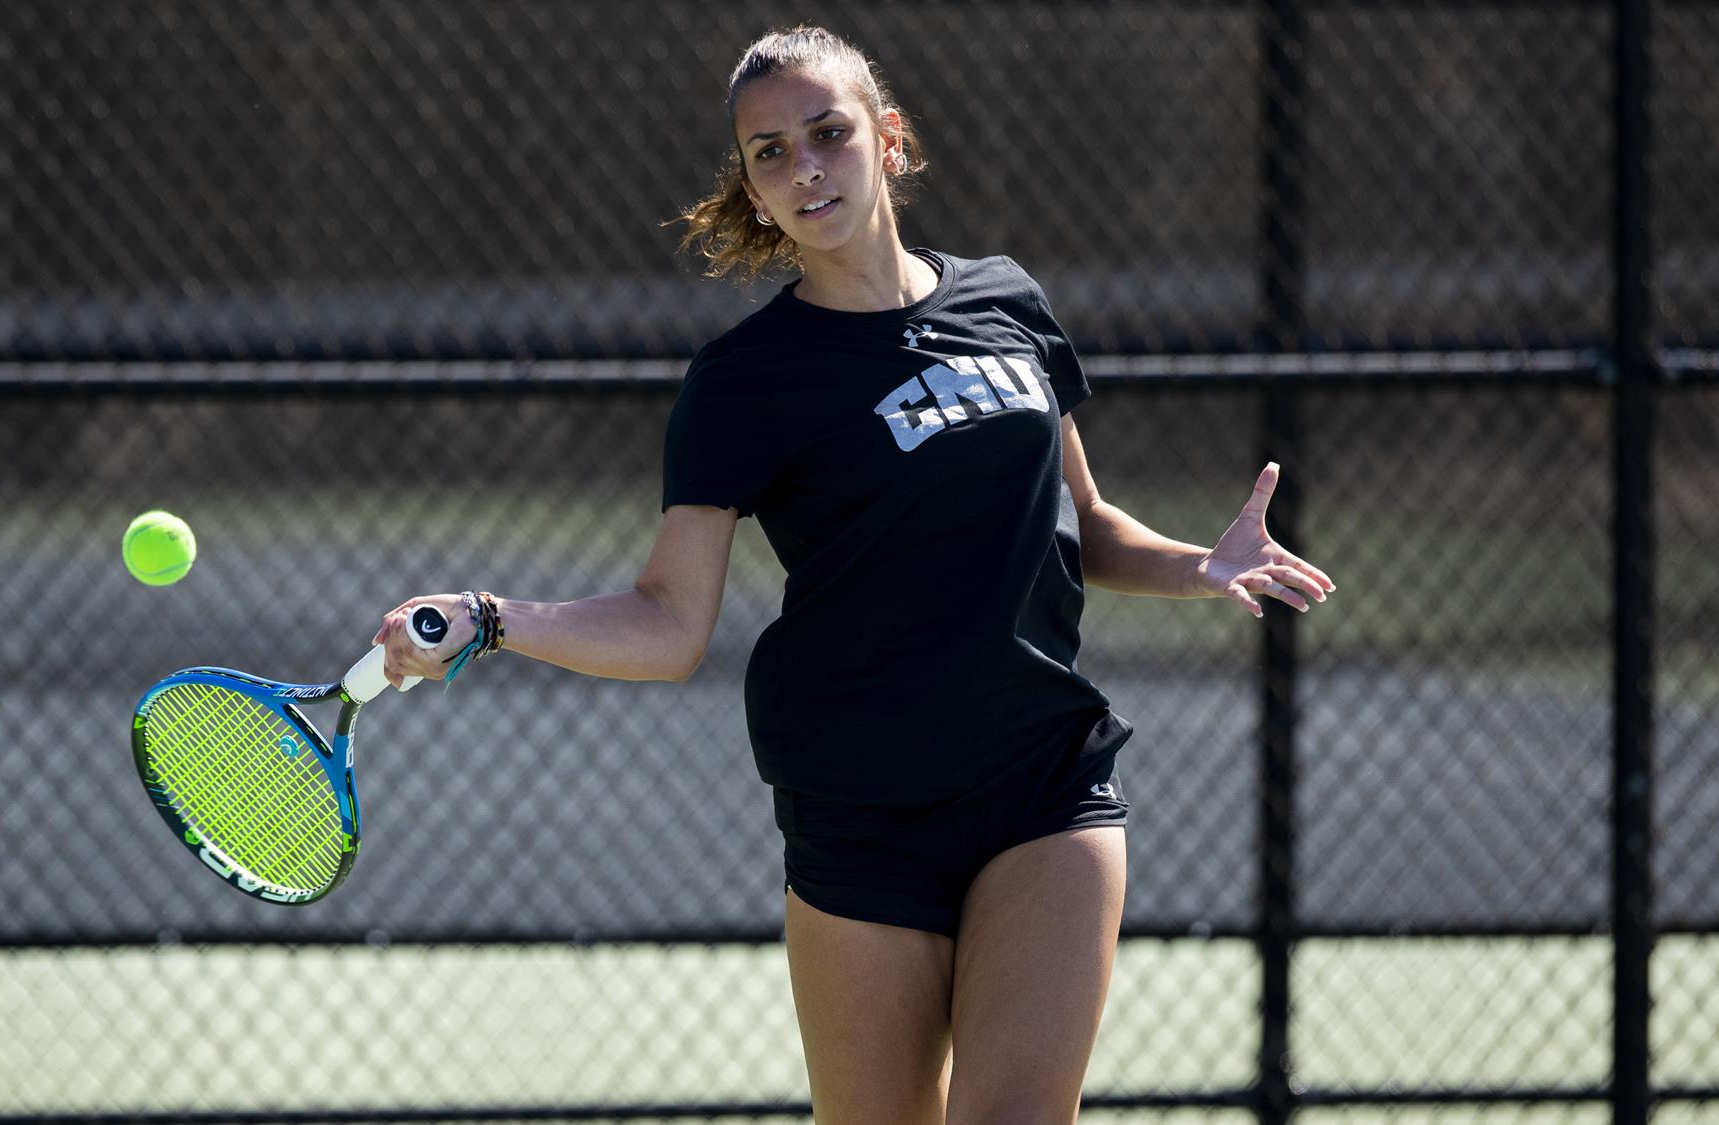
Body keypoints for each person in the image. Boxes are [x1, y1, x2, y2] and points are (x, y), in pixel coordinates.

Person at [376, 25, 1335, 1125]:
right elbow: (666, 622)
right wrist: (493, 619)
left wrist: (1201, 567)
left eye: (826, 134)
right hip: (860, 809)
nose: (803, 169)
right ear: (749, 182)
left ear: (885, 139)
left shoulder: (1007, 302)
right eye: (769, 152)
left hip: (1042, 780)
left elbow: (1085, 523)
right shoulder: (744, 383)